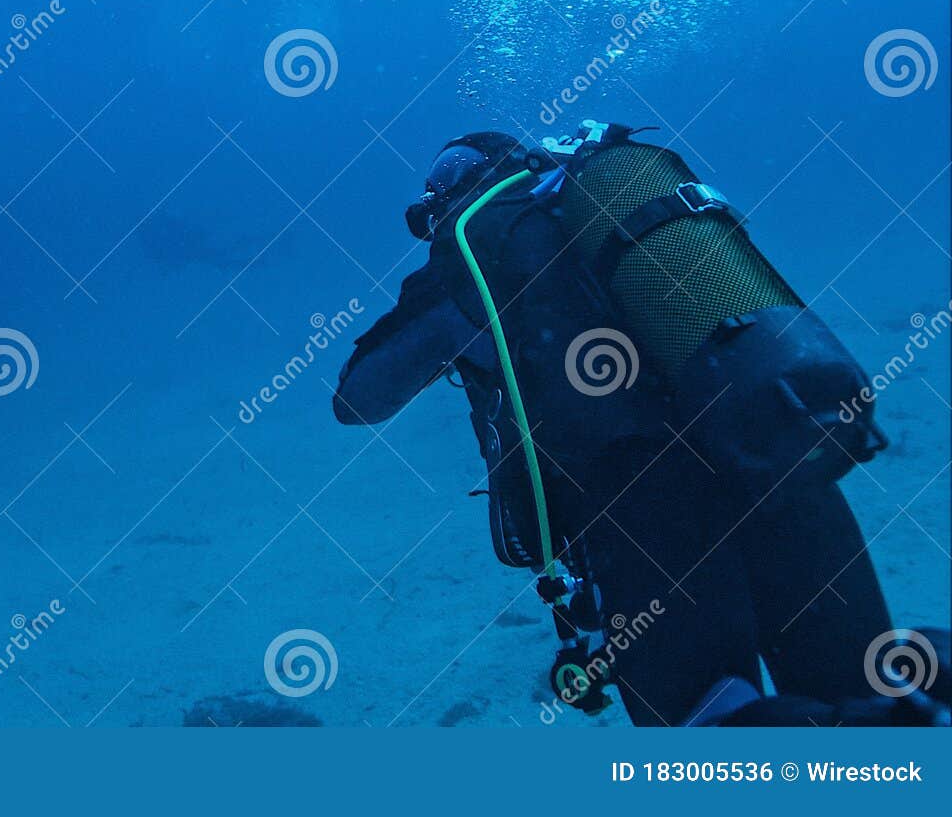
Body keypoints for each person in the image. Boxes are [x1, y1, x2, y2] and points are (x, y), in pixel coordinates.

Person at [333, 122, 949, 727]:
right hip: (772, 454)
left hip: (645, 508)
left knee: (708, 720)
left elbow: (360, 401)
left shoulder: (472, 260)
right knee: (879, 698)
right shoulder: (630, 222)